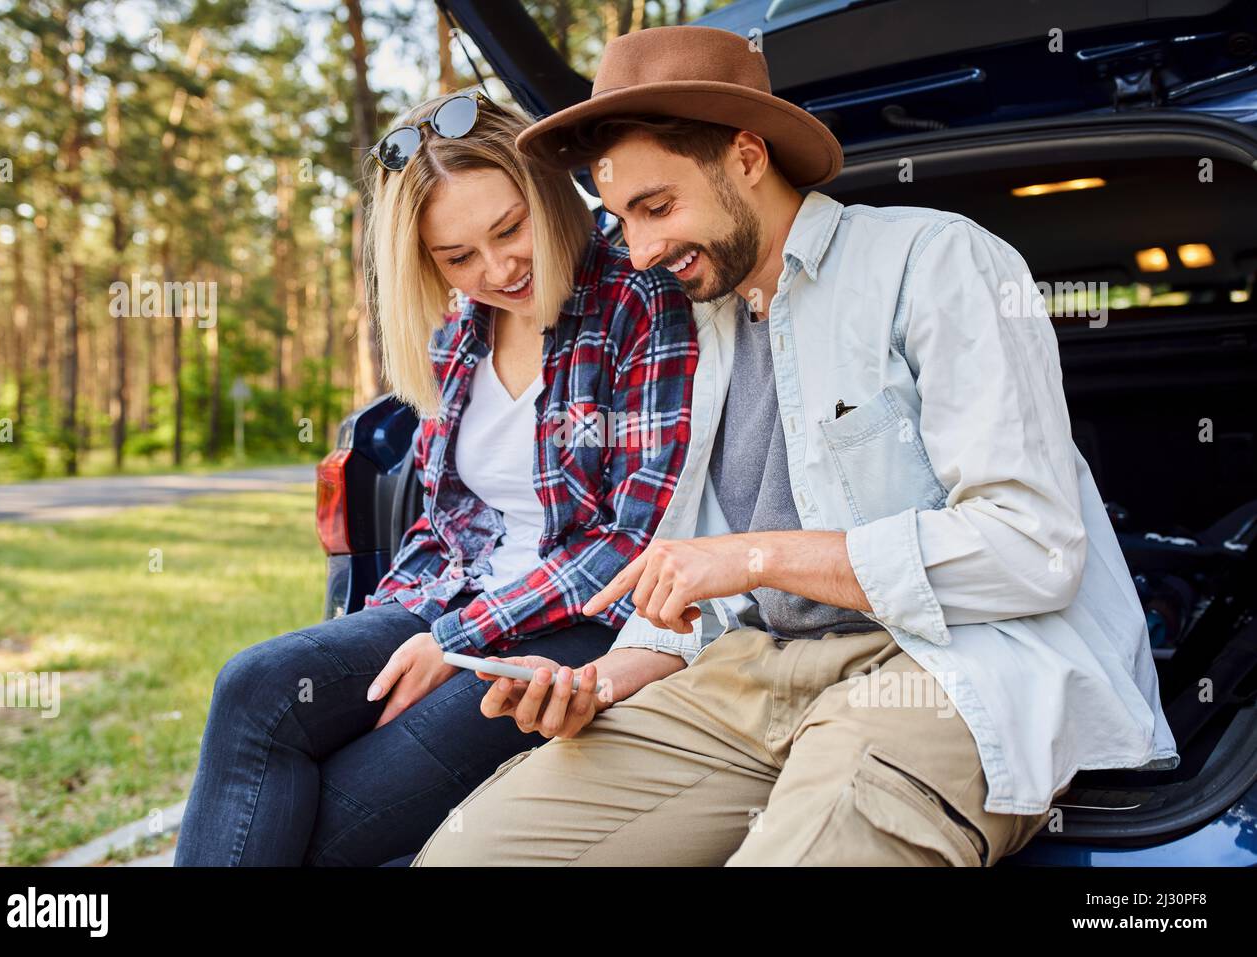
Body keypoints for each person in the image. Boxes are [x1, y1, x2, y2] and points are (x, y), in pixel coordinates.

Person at [413, 26, 1179, 867]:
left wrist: (758, 556)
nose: (638, 251)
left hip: (944, 672)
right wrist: (599, 679)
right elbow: (688, 590)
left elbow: (1031, 548)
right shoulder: (692, 324)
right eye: (622, 217)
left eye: (658, 207)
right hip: (748, 676)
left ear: (746, 156)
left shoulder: (937, 260)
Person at [174, 88, 698, 866]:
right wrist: (380, 632)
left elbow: (632, 538)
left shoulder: (636, 298)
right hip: (459, 603)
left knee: (315, 823)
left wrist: (453, 643)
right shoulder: (459, 334)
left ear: (546, 191)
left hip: (583, 624)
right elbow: (442, 522)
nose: (497, 267)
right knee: (256, 685)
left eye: (509, 228)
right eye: (457, 257)